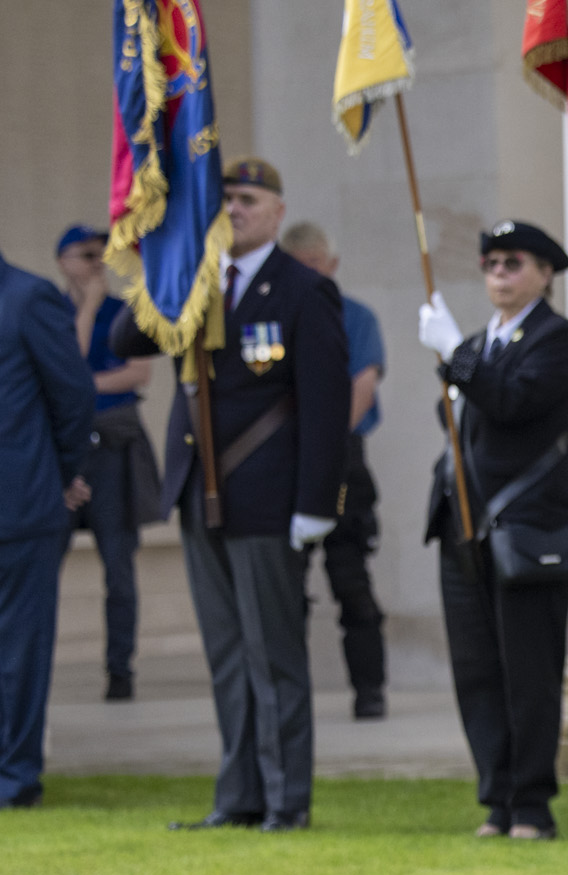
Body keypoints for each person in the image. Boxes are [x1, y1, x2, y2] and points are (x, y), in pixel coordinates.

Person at [115, 159, 350, 832]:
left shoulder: (302, 291)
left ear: (277, 212)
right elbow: (122, 339)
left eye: (246, 199)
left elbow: (325, 405)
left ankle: (285, 800)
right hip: (198, 494)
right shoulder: (196, 285)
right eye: (224, 200)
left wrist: (316, 501)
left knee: (272, 652)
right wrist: (173, 271)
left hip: (268, 498)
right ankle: (239, 794)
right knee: (225, 653)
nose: (234, 209)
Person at [417, 221, 568, 839]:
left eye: (514, 263)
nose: (499, 275)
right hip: (464, 527)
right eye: (491, 264)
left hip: (523, 530)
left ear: (544, 273)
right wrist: (461, 356)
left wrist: (455, 354)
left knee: (528, 672)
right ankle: (497, 796)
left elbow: (515, 404)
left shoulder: (555, 338)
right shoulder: (480, 343)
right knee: (478, 669)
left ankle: (532, 804)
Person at [280, 221, 388, 717]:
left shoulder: (355, 317)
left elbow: (361, 385)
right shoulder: (274, 315)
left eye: (314, 266)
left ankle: (369, 691)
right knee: (286, 585)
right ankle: (287, 689)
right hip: (288, 461)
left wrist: (324, 445)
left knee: (350, 578)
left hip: (340, 463)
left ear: (332, 266)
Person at [1, 242, 96, 809]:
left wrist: (58, 472)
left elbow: (72, 395)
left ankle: (14, 778)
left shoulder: (26, 298)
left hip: (18, 509)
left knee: (18, 653)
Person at [56, 224, 155, 704]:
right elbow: (63, 367)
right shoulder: (49, 310)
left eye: (104, 254)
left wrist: (82, 385)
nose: (98, 263)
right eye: (88, 254)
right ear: (64, 261)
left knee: (119, 567)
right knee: (39, 565)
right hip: (63, 453)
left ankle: (121, 671)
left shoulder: (125, 309)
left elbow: (138, 371)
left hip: (111, 448)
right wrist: (87, 309)